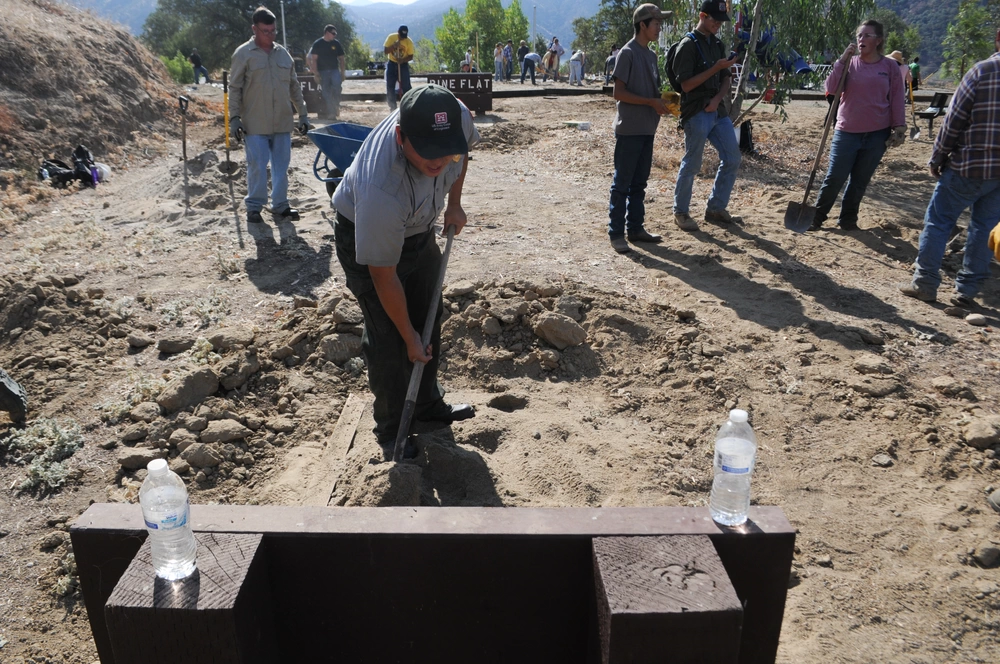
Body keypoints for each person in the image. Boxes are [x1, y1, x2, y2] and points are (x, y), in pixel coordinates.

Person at [332, 85, 480, 457]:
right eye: (430, 153)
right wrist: (410, 339)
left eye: (446, 151)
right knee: (390, 335)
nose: (440, 161)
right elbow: (384, 278)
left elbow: (462, 155)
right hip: (365, 233)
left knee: (429, 314)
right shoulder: (381, 188)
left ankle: (428, 407)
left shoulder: (455, 119)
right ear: (401, 137)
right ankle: (392, 428)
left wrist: (455, 205)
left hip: (419, 227)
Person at [900, 28, 1000, 309]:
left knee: (938, 221)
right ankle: (967, 291)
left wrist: (937, 158)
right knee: (984, 229)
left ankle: (925, 284)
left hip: (968, 165)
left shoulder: (982, 71)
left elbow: (954, 119)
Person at [809, 20, 905, 231]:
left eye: (866, 36)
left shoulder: (889, 67)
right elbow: (832, 89)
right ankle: (816, 217)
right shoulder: (849, 64)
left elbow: (897, 97)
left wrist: (899, 126)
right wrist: (841, 60)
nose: (861, 39)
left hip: (877, 134)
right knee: (835, 177)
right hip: (847, 132)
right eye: (859, 35)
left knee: (860, 180)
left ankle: (848, 220)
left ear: (878, 41)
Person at [229, 6, 310, 225]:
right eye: (266, 31)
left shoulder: (283, 54)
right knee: (257, 165)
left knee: (281, 167)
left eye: (273, 31)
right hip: (254, 123)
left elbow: (294, 86)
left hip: (282, 121)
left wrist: (302, 114)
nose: (271, 35)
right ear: (254, 29)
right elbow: (234, 87)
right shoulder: (243, 54)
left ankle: (280, 205)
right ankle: (254, 207)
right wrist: (234, 118)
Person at [670, 0, 742, 232]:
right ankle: (681, 212)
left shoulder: (717, 44)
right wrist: (715, 68)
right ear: (702, 16)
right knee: (692, 163)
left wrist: (717, 99)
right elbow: (687, 85)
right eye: (715, 20)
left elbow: (726, 78)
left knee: (732, 158)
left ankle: (716, 207)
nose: (719, 24)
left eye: (721, 21)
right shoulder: (687, 46)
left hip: (716, 111)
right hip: (695, 112)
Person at [607, 4, 671, 254]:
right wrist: (650, 102)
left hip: (647, 128)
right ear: (642, 25)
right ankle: (616, 233)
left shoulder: (652, 55)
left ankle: (635, 228)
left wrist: (665, 102)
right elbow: (618, 93)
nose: (659, 27)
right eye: (655, 23)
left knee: (639, 183)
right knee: (622, 183)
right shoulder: (628, 53)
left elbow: (651, 90)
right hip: (630, 129)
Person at [307, 25, 346, 121]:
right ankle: (332, 112)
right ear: (327, 33)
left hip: (334, 70)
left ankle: (336, 105)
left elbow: (341, 59)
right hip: (323, 71)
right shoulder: (318, 44)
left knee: (337, 86)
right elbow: (313, 59)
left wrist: (343, 73)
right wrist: (316, 73)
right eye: (333, 33)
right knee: (326, 92)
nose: (334, 35)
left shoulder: (336, 44)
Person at [384, 25, 414, 111]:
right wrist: (393, 46)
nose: (403, 38)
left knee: (406, 86)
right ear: (398, 32)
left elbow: (411, 56)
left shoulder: (409, 42)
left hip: (403, 65)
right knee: (390, 86)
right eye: (401, 35)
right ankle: (392, 107)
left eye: (404, 36)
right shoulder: (391, 37)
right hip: (392, 63)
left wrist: (403, 60)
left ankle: (408, 106)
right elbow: (385, 51)